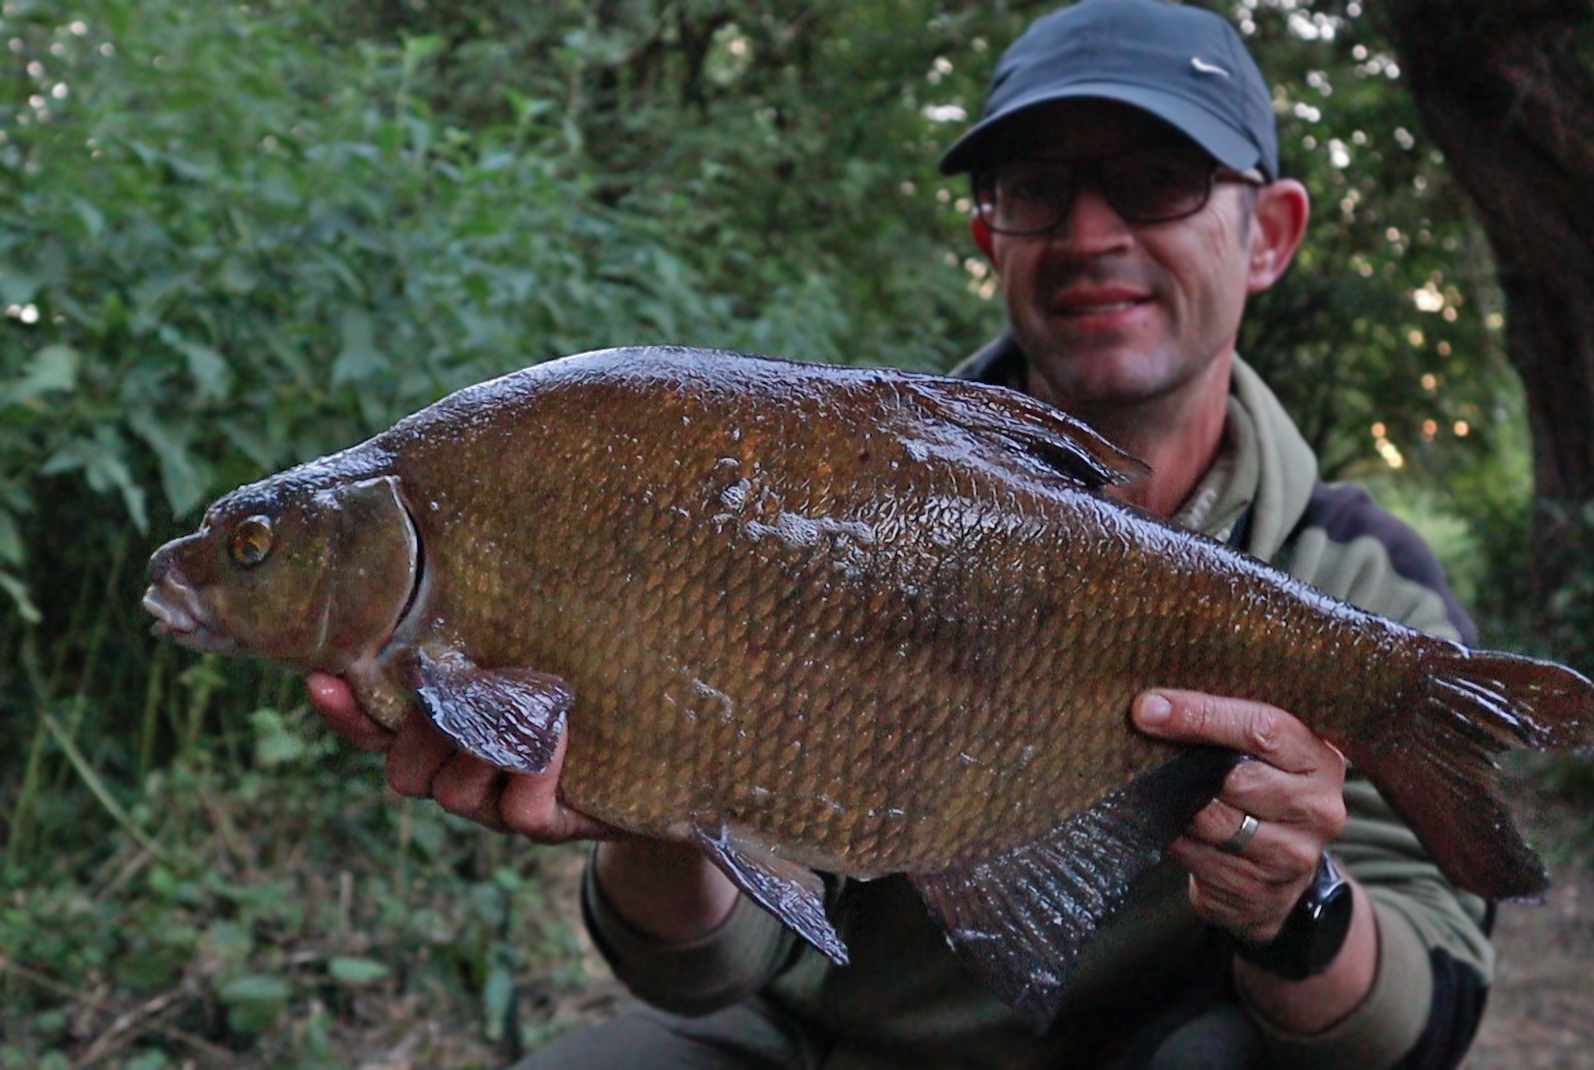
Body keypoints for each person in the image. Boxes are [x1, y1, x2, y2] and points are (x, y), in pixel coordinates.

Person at [311, 1, 1495, 1066]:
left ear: (1269, 233)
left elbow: (1425, 1021)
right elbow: (707, 968)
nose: (1089, 232)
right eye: (1035, 188)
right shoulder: (820, 505)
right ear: (990, 236)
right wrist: (648, 808)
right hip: (836, 1035)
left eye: (1154, 179)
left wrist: (1297, 907)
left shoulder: (1357, 587)